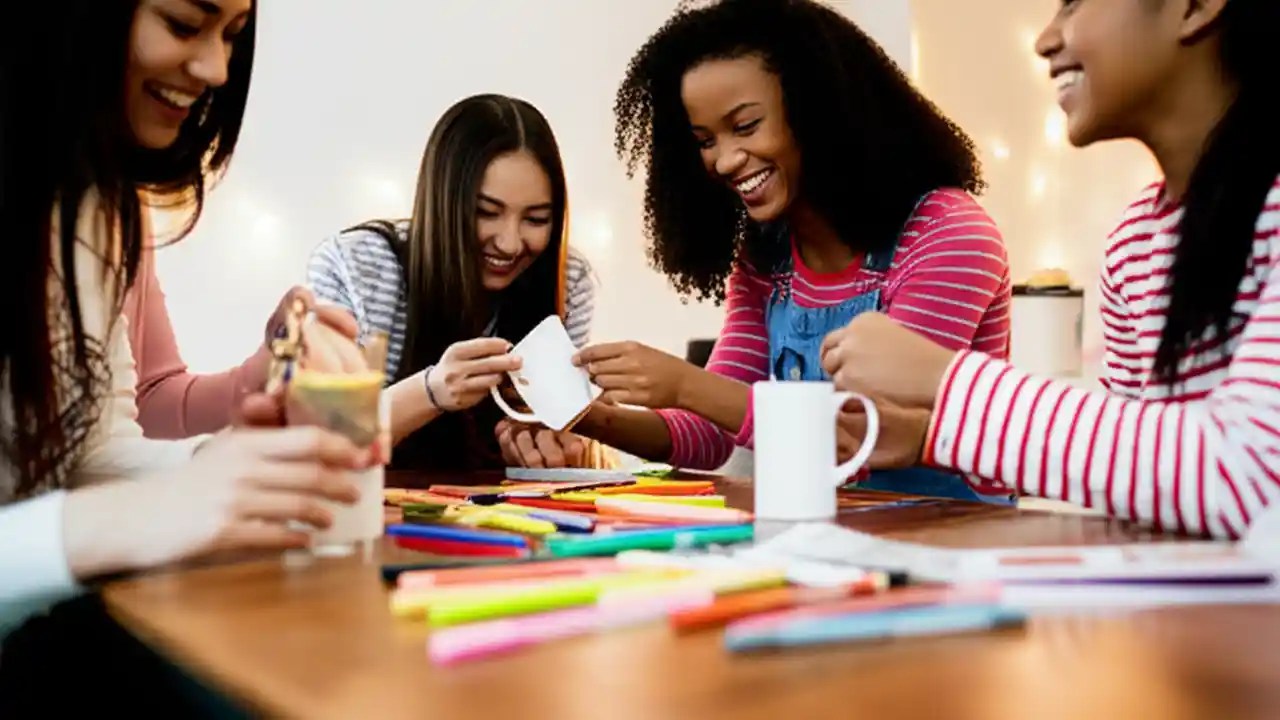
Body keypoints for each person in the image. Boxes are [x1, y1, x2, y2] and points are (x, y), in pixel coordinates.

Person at [499, 0, 1011, 502]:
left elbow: (864, 436)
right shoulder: (767, 256)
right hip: (831, 539)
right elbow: (710, 437)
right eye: (704, 140)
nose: (723, 160)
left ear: (819, 110)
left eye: (744, 126)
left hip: (951, 538)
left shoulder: (947, 234)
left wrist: (682, 383)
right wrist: (588, 417)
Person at [820, 0, 1280, 538]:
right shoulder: (1136, 238)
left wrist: (946, 381)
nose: (1045, 40)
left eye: (1074, 5)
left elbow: (1255, 479)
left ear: (1195, 7)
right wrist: (930, 434)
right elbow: (1136, 472)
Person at [1, 0, 373, 640]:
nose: (217, 68)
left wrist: (237, 461)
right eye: (181, 23)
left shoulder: (96, 206)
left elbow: (93, 451)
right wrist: (143, 514)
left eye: (232, 35)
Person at [307, 94, 602, 471]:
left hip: (501, 520)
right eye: (485, 213)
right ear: (444, 201)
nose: (510, 243)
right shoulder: (357, 265)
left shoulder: (568, 280)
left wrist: (549, 444)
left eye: (537, 219)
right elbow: (320, 437)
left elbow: (567, 442)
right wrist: (430, 391)